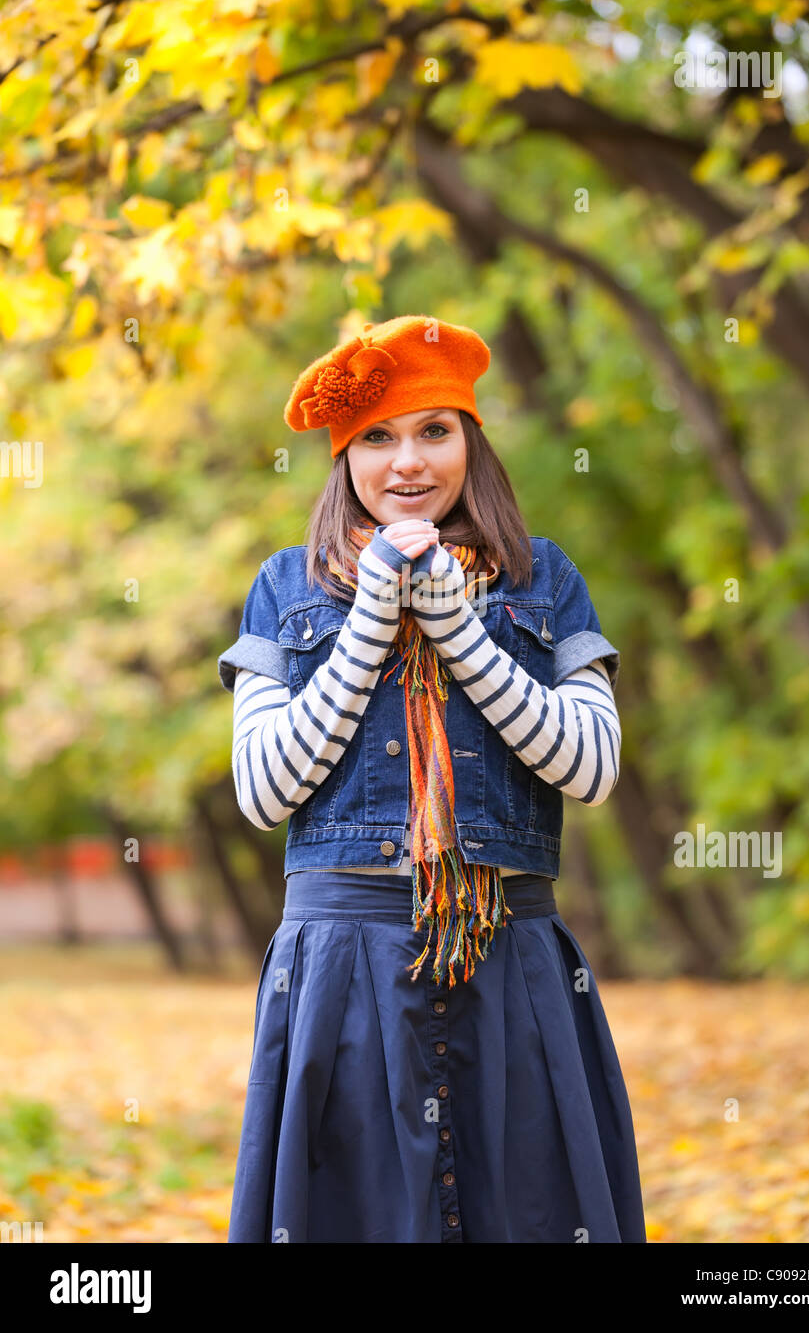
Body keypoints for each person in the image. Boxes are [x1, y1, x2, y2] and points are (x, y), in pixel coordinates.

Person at [217, 314, 646, 1243]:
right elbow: (263, 790)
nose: (407, 462)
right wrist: (374, 617)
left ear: (470, 442)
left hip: (512, 961)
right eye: (377, 438)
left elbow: (592, 768)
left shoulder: (543, 579)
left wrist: (459, 628)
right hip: (341, 969)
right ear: (345, 458)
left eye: (433, 431)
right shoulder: (286, 586)